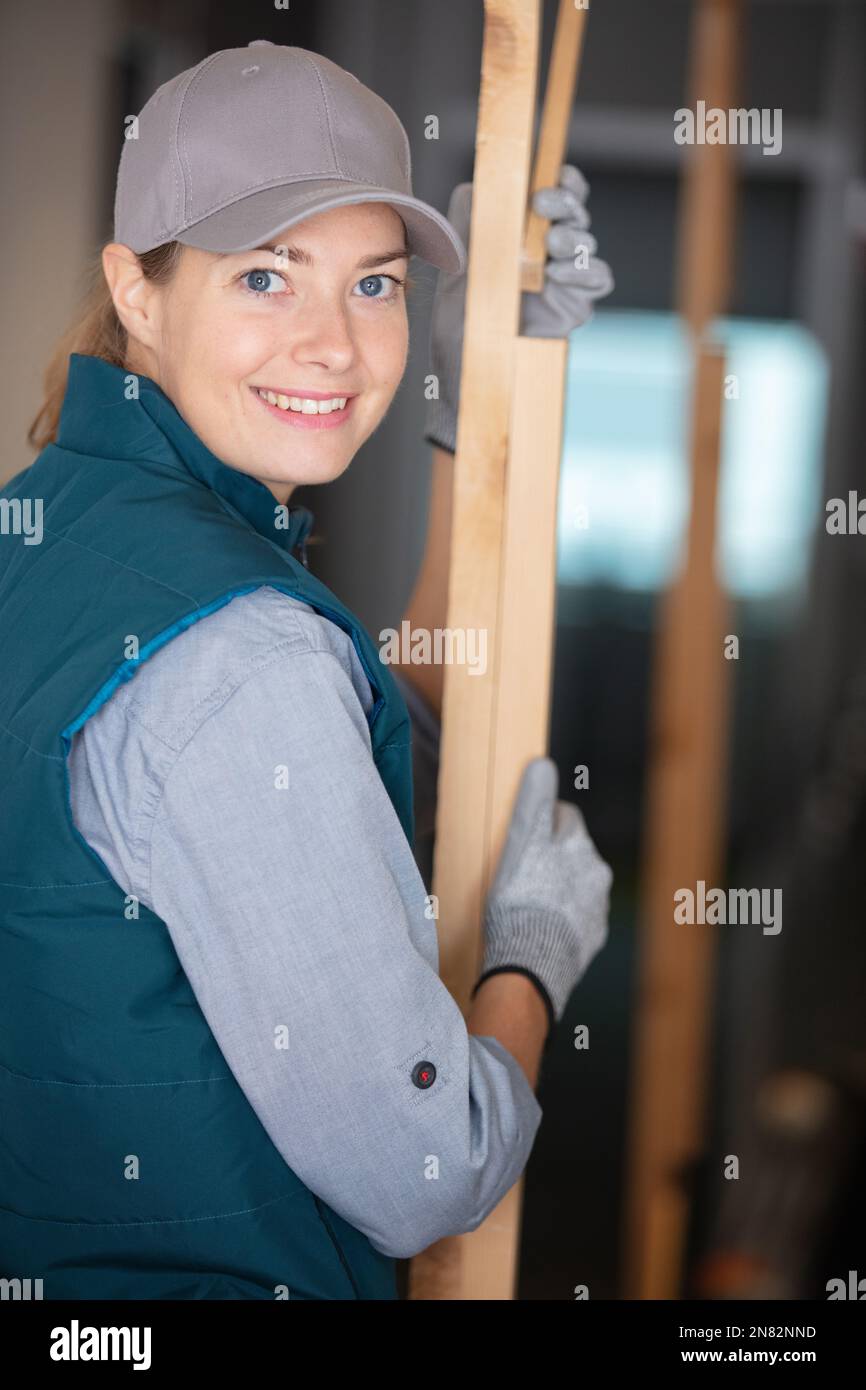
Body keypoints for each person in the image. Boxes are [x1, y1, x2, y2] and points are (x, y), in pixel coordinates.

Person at [0, 40, 614, 1300]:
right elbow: (423, 1167)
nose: (335, 344)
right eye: (268, 277)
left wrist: (474, 411)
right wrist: (530, 959)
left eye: (375, 285)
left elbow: (306, 765)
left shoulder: (47, 532)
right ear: (139, 289)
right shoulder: (246, 654)